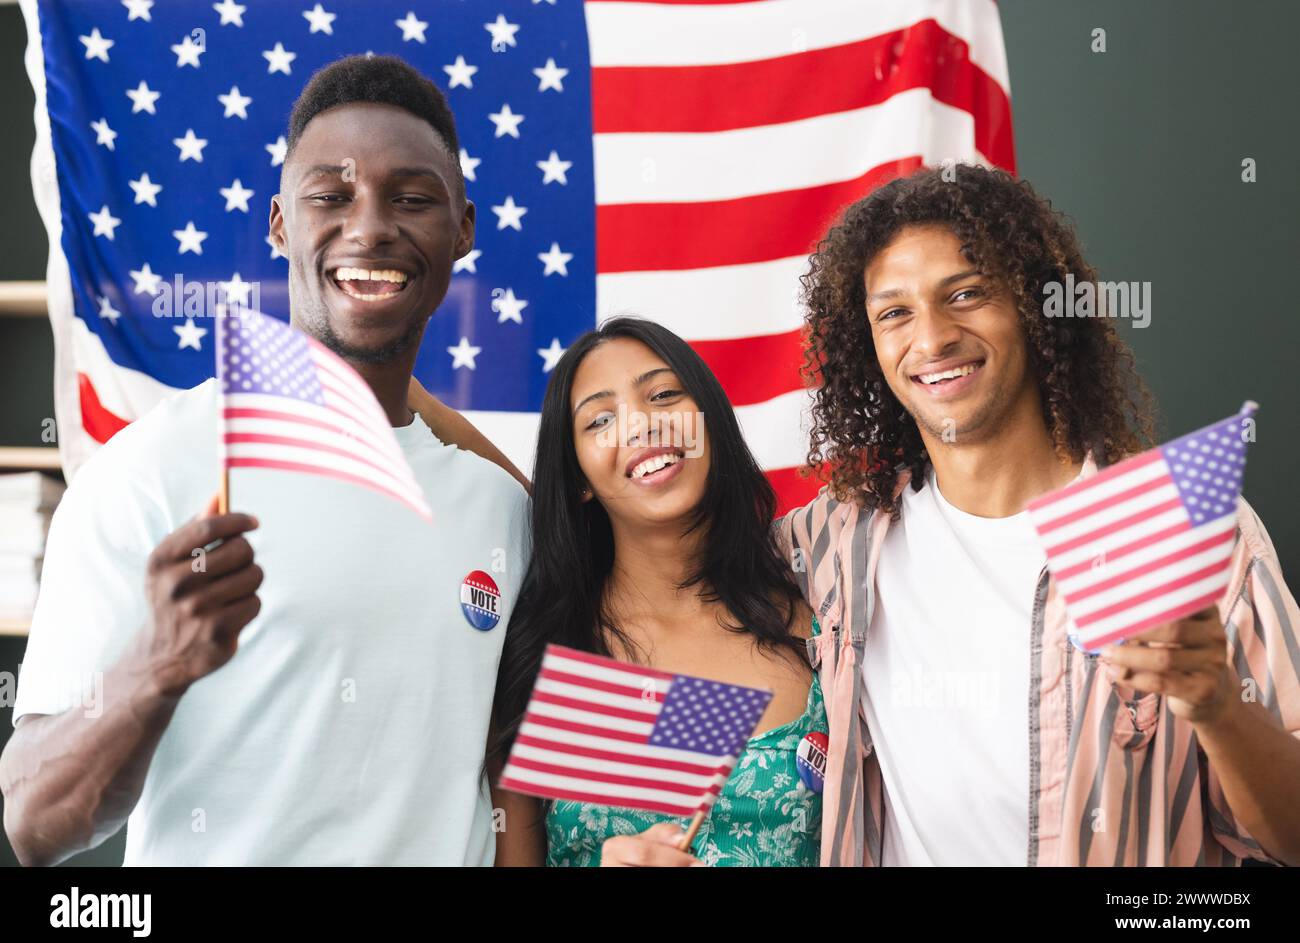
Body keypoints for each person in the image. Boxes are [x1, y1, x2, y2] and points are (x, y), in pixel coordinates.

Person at [0, 55, 528, 866]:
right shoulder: (155, 469)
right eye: (332, 196)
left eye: (412, 198)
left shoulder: (501, 510)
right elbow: (34, 823)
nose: (370, 227)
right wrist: (156, 666)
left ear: (462, 228)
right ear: (281, 223)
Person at [776, 163, 1300, 866]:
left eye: (966, 293)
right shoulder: (835, 543)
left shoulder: (1187, 529)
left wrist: (1219, 710)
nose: (931, 338)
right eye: (895, 312)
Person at [417, 318, 826, 866]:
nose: (640, 426)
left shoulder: (824, 593)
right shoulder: (543, 644)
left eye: (662, 395)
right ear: (579, 476)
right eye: (600, 420)